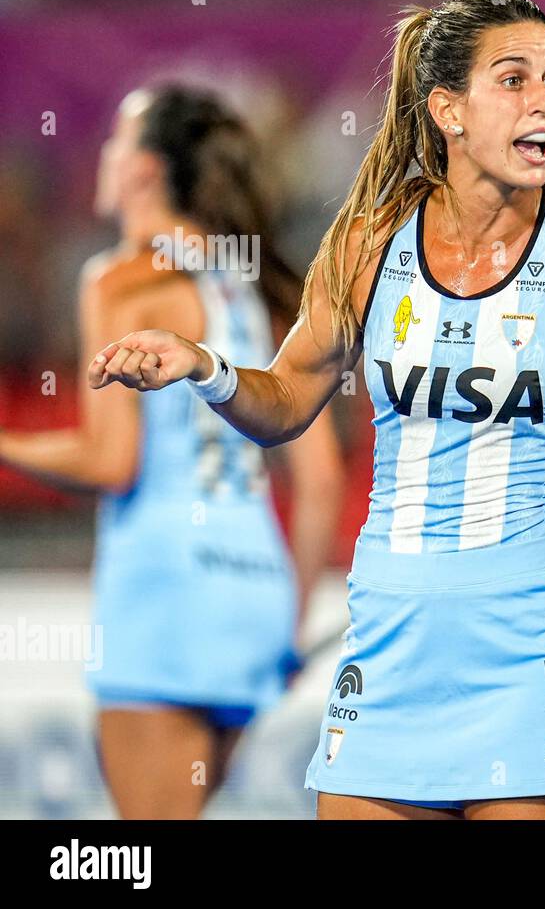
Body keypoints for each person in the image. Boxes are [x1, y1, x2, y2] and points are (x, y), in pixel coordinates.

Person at [87, 0, 545, 821]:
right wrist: (204, 366)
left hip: (533, 655)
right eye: (514, 79)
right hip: (390, 646)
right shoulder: (371, 243)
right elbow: (287, 398)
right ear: (448, 109)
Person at [0, 84, 344, 818]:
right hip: (255, 601)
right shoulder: (252, 289)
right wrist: (287, 624)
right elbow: (319, 481)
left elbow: (109, 462)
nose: (102, 155)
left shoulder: (120, 279)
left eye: (117, 141)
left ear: (146, 171)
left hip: (166, 598)